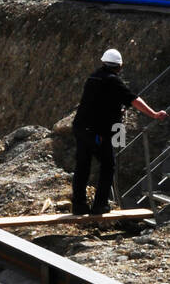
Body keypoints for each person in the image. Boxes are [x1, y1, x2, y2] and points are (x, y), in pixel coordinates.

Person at [71, 48, 166, 216]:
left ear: (103, 62)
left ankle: (79, 206)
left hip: (81, 128)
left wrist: (114, 109)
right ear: (119, 66)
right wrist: (154, 114)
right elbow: (134, 99)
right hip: (97, 132)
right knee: (108, 165)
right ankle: (100, 205)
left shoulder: (93, 77)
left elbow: (98, 101)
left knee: (82, 167)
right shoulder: (113, 81)